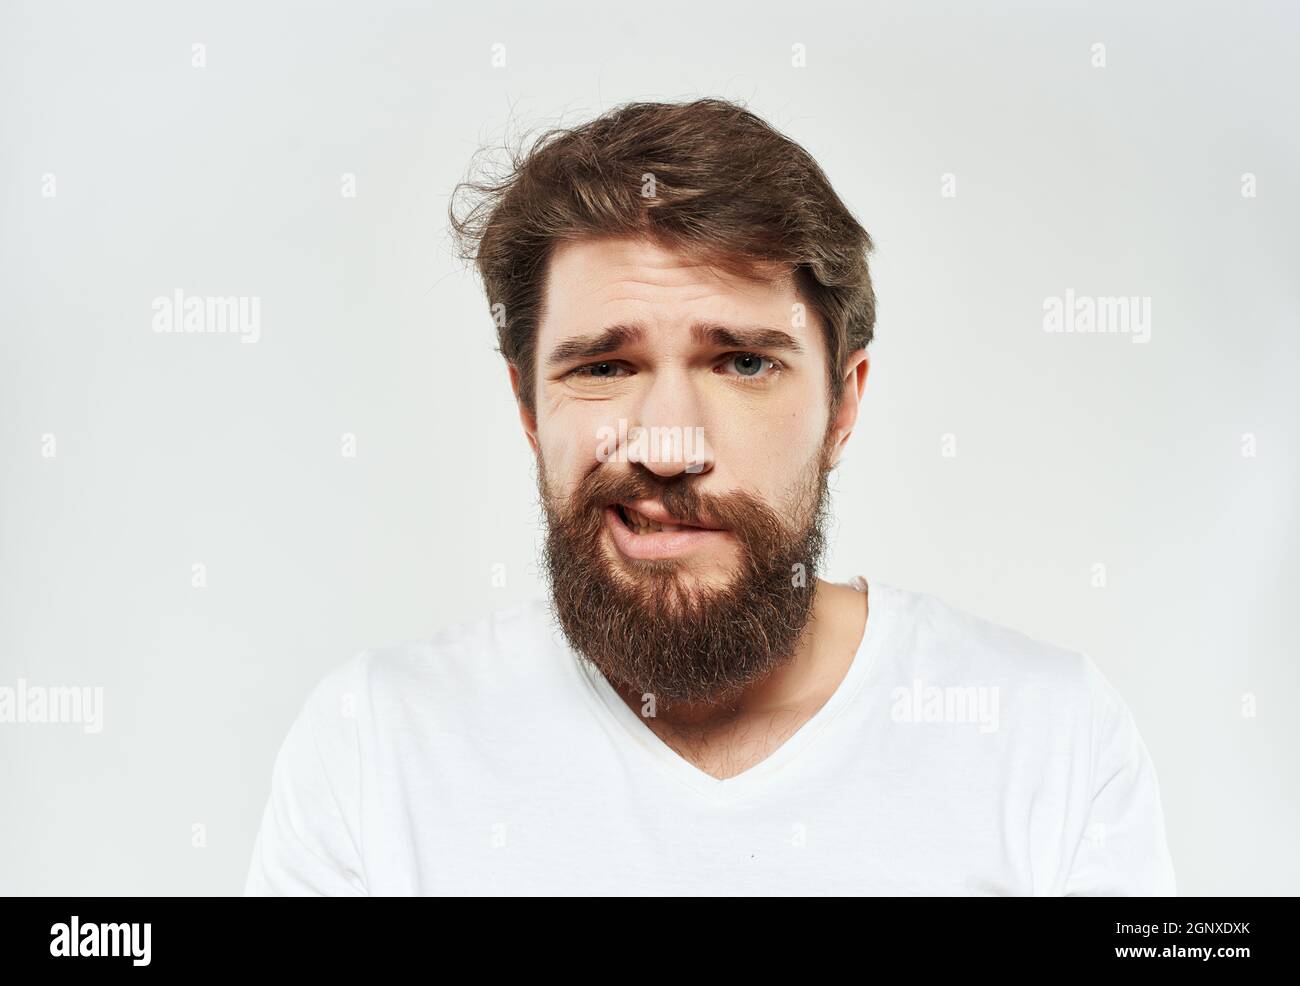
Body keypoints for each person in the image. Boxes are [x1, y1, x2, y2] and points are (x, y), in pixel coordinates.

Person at [243, 98, 1176, 895]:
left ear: (844, 404)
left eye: (742, 362)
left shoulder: (1050, 738)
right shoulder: (376, 749)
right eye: (604, 366)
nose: (668, 444)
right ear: (529, 409)